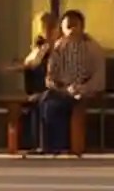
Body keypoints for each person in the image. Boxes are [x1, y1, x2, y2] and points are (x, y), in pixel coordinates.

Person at [38, 10, 105, 154]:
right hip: (62, 90)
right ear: (62, 28)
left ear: (82, 27)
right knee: (45, 101)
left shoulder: (92, 48)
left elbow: (99, 77)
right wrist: (59, 87)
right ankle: (47, 146)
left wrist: (82, 88)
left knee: (62, 105)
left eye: (76, 25)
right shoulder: (58, 48)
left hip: (84, 90)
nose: (72, 30)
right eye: (69, 26)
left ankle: (63, 145)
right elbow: (50, 76)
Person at [20, 11, 59, 150]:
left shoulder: (57, 47)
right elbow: (30, 63)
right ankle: (36, 144)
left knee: (43, 103)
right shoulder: (40, 48)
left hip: (51, 88)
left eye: (50, 28)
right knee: (34, 105)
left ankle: (44, 144)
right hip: (38, 89)